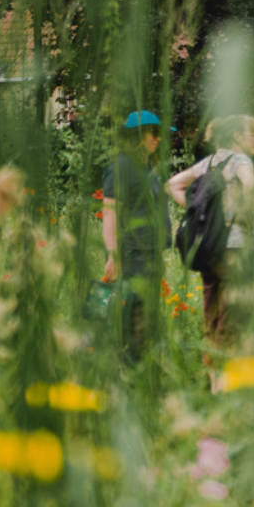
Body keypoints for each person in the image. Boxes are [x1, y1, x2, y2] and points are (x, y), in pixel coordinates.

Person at [167, 115, 254, 366]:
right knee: (234, 312)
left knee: (212, 310)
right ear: (238, 137)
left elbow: (173, 184)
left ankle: (211, 376)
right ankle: (224, 373)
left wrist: (195, 211)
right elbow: (251, 187)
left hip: (209, 246)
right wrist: (243, 213)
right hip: (234, 247)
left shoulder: (208, 164)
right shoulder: (240, 160)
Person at [101, 110, 172, 365]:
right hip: (132, 257)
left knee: (146, 322)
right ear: (137, 136)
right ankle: (125, 378)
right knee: (132, 322)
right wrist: (113, 255)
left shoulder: (148, 168)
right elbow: (109, 214)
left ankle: (141, 378)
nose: (158, 139)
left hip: (151, 256)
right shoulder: (122, 166)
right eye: (154, 133)